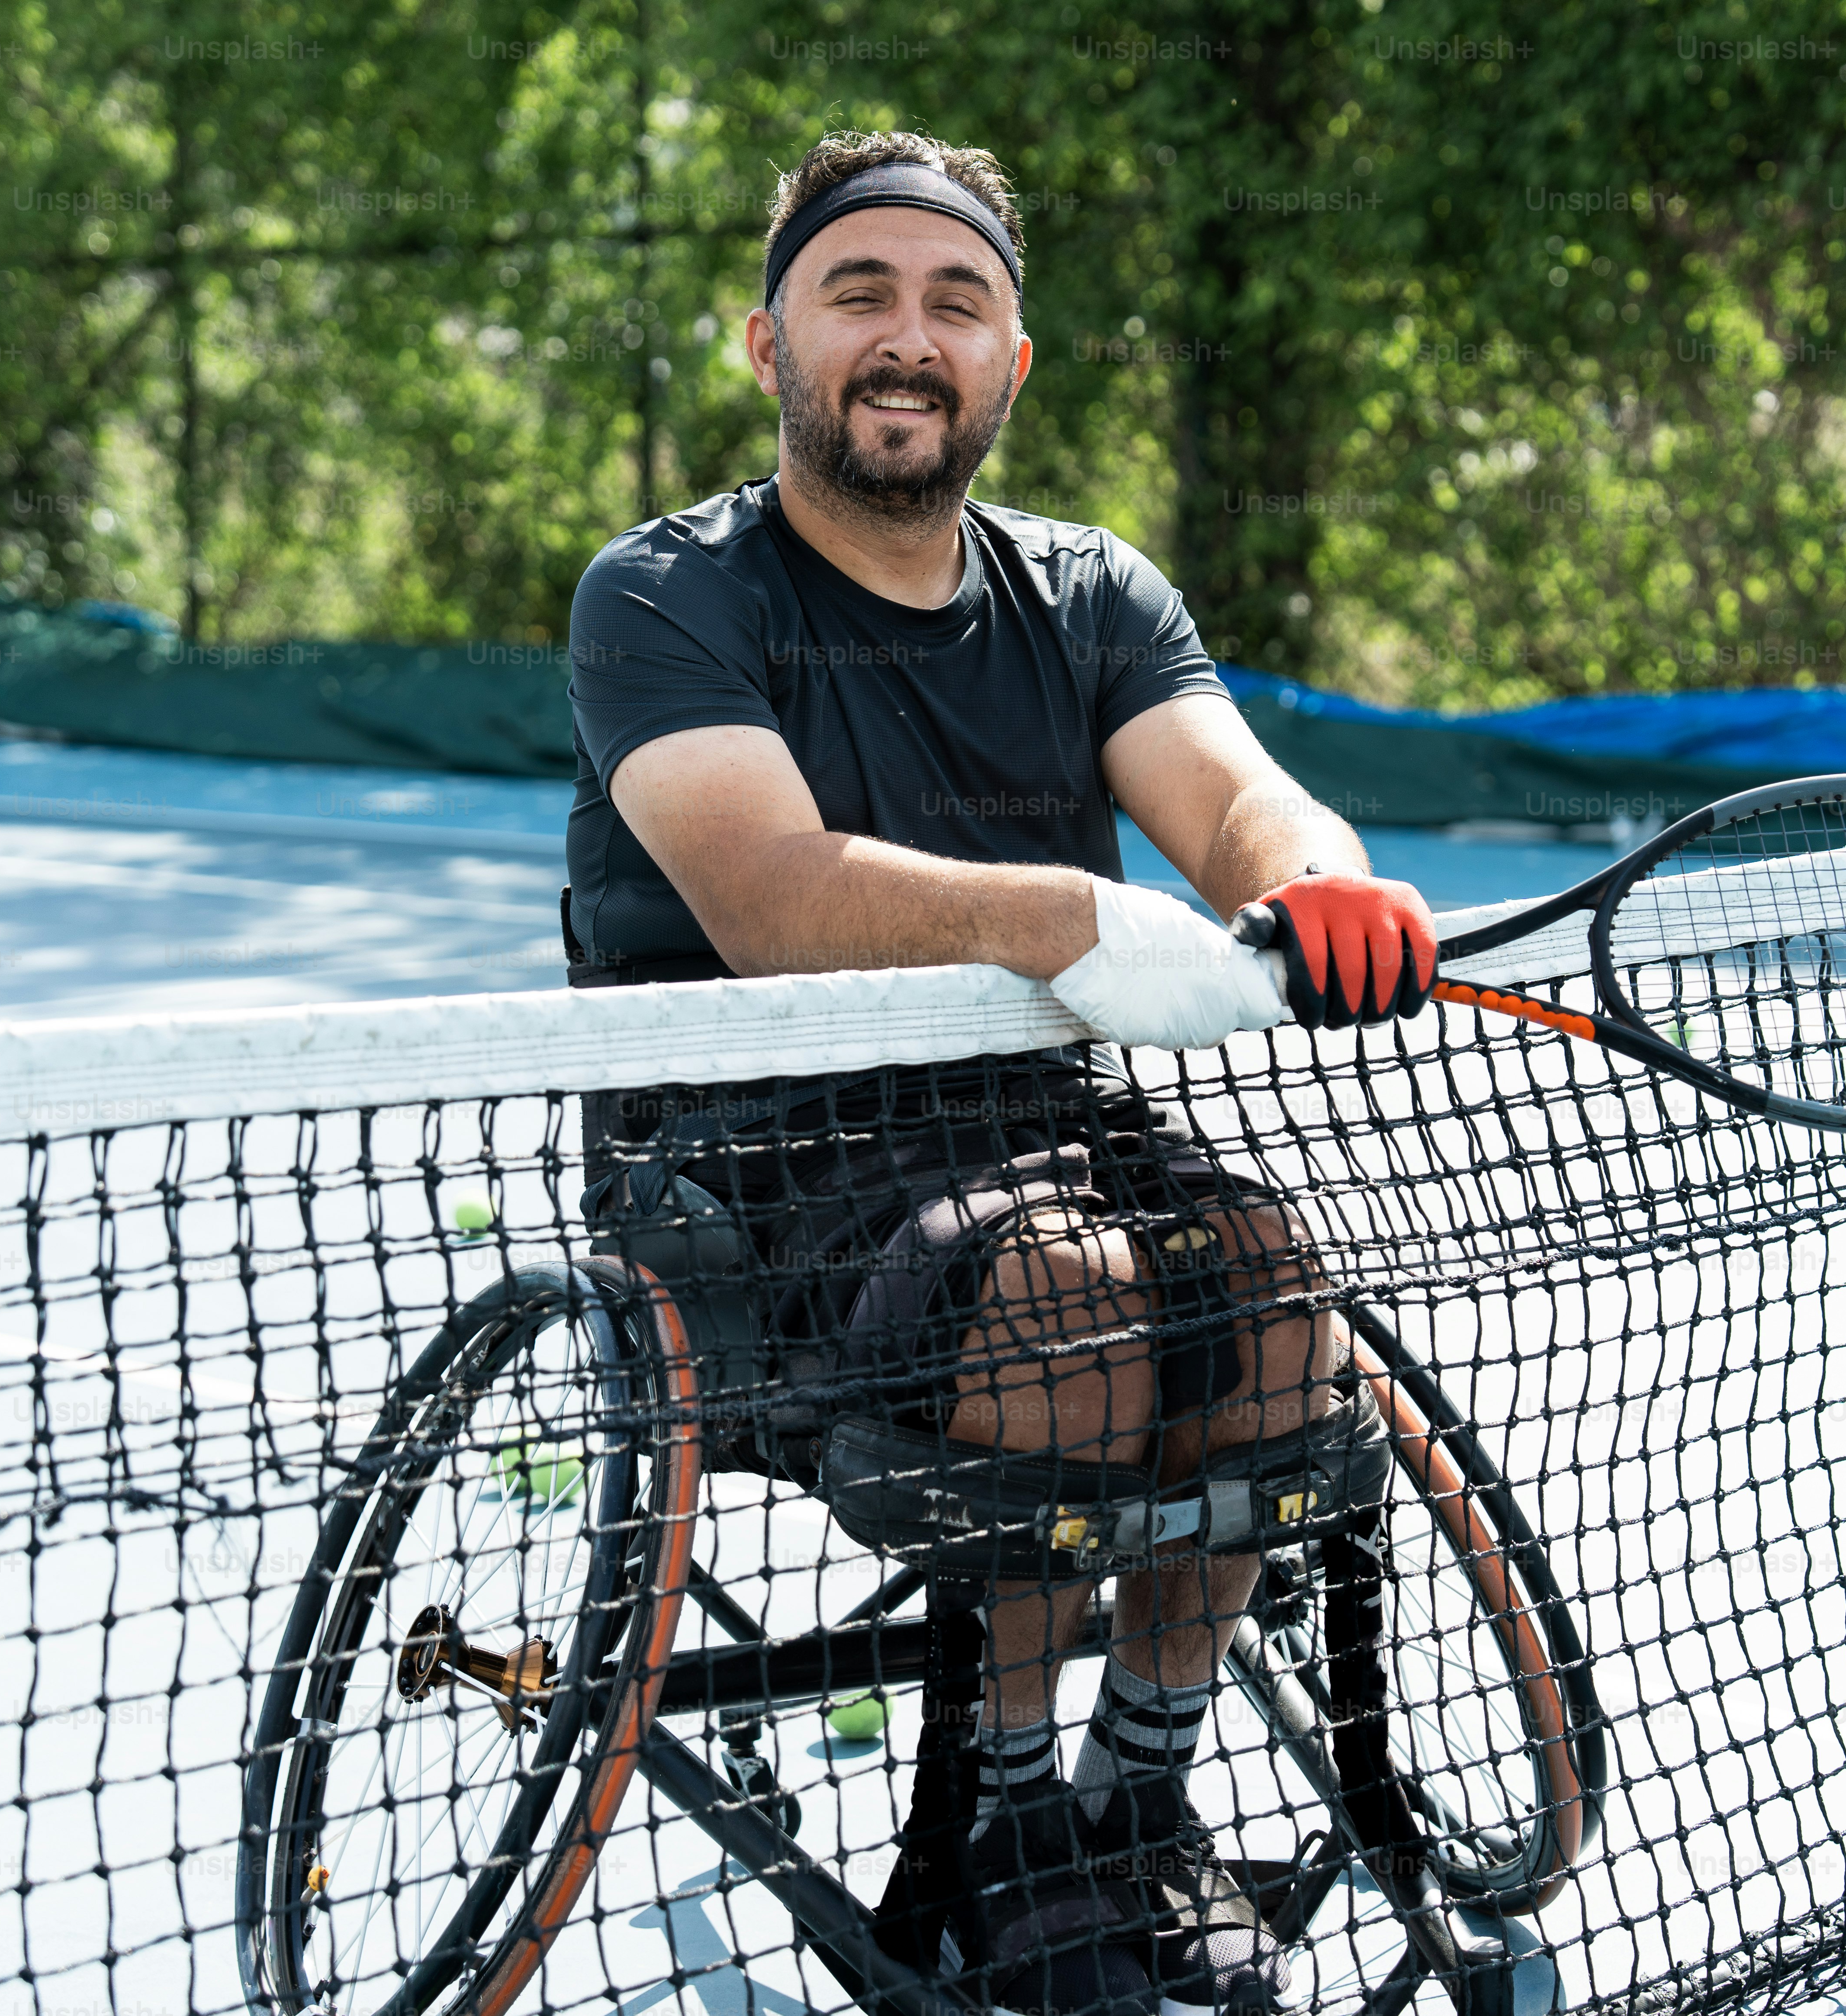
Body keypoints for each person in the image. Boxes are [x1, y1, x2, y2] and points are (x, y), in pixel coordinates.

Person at [561, 129, 1438, 2016]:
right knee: (1068, 1311)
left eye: (956, 303)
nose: (908, 336)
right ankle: (993, 1829)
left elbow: (1232, 798)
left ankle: (1132, 1803)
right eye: (857, 294)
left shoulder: (1094, 593)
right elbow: (778, 896)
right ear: (767, 342)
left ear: (1010, 365)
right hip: (746, 1179)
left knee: (1281, 1289)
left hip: (1041, 1135)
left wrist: (1320, 884)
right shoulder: (664, 596)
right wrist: (1063, 920)